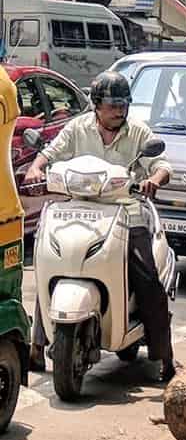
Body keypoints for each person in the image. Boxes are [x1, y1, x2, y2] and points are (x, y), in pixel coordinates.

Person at [23, 71, 177, 382]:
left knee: (147, 279)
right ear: (96, 105)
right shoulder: (77, 128)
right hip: (77, 211)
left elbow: (163, 166)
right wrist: (36, 168)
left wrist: (153, 180)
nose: (119, 111)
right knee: (49, 265)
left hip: (126, 213)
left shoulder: (136, 133)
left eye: (123, 105)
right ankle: (37, 347)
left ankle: (165, 357)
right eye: (112, 105)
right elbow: (49, 154)